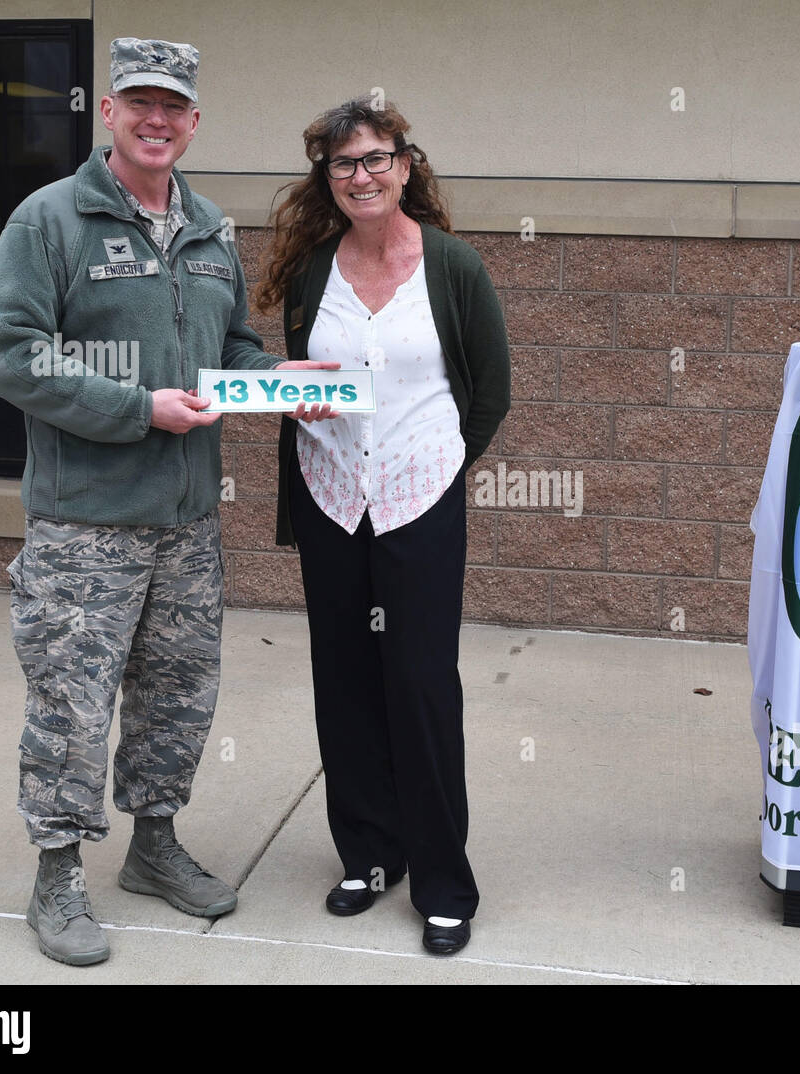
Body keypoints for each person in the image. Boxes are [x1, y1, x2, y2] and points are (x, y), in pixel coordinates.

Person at [0, 37, 334, 966]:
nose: (157, 119)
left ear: (194, 122)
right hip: (83, 525)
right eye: (140, 101)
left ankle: (154, 846)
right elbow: (11, 352)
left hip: (187, 525)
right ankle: (57, 873)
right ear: (108, 111)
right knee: (71, 703)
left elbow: (232, 356)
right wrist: (136, 409)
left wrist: (283, 379)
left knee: (177, 696)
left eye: (173, 106)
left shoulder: (211, 230)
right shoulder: (51, 221)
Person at [255, 96, 510, 955]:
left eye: (375, 159)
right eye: (342, 164)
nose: (360, 175)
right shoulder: (311, 273)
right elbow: (292, 379)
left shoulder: (453, 267)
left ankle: (443, 881)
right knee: (346, 678)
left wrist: (433, 466)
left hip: (418, 500)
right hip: (330, 499)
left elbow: (489, 395)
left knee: (422, 685)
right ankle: (369, 853)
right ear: (326, 180)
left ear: (404, 165)